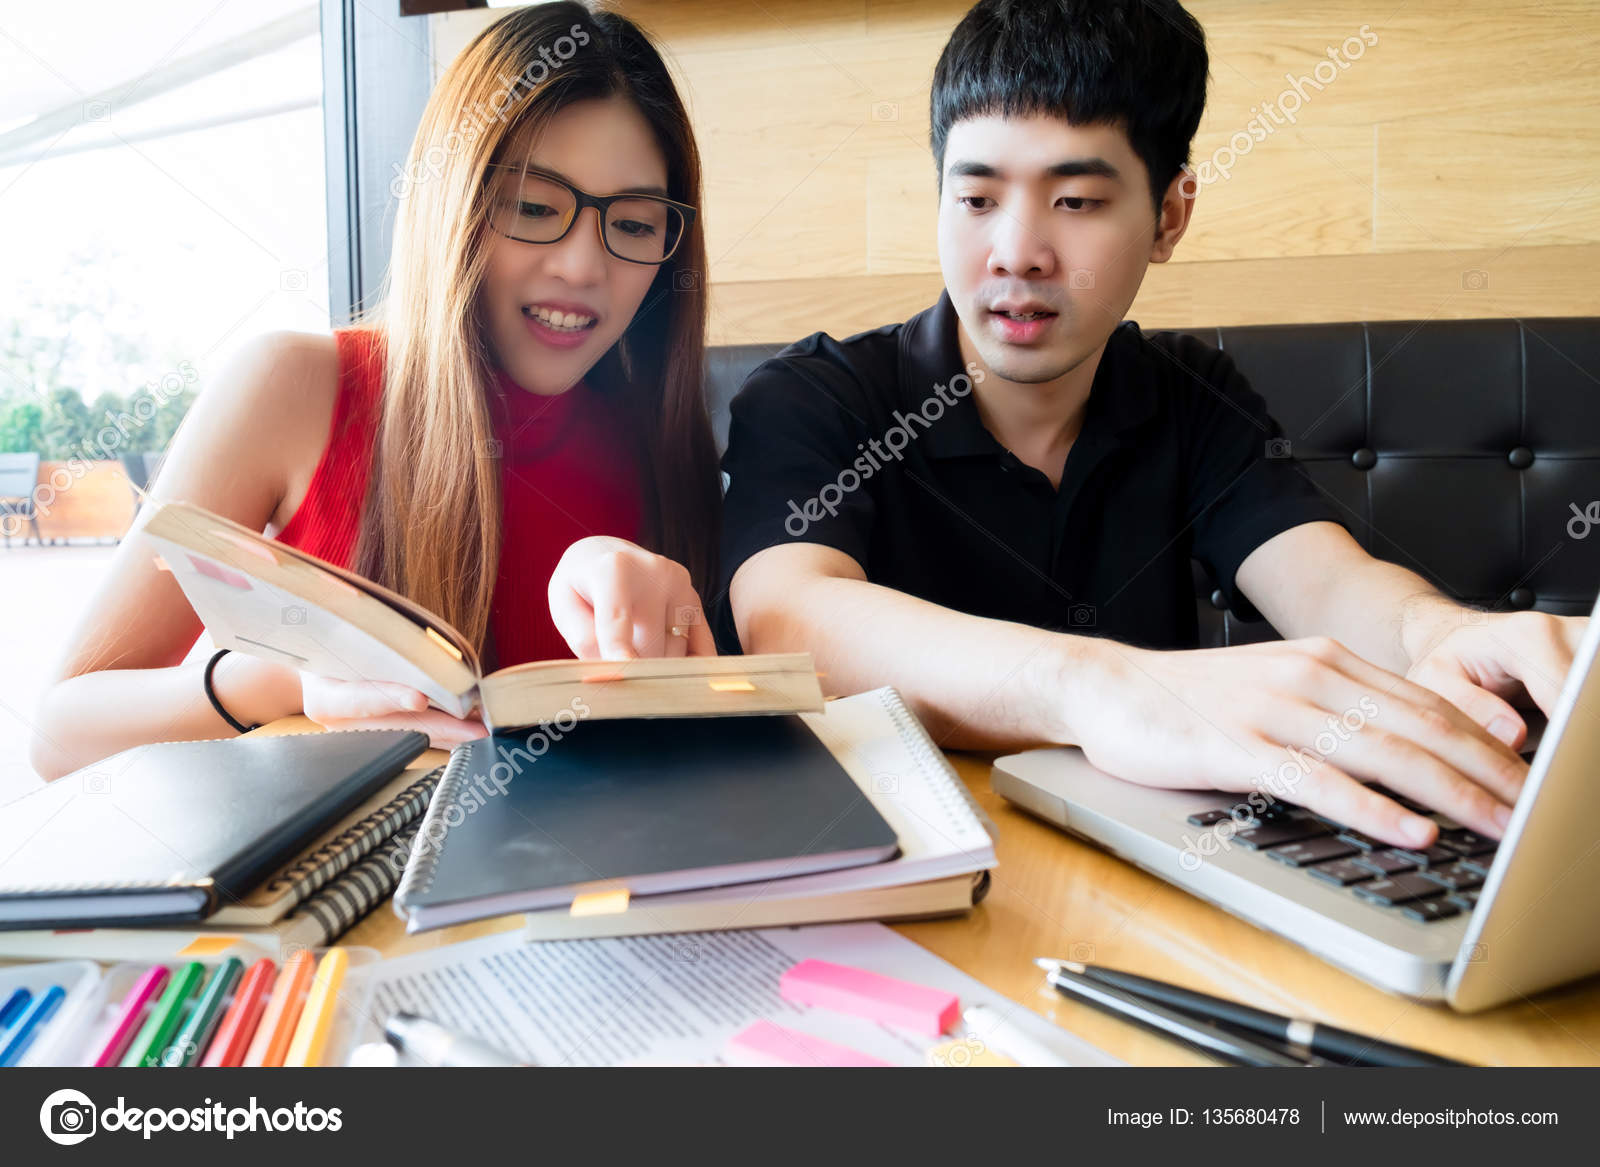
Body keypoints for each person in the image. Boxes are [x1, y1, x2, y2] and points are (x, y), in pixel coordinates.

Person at [718, 0, 1588, 849]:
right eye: (977, 198)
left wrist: (1449, 637)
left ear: (1168, 215)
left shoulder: (1188, 394)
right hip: (891, 870)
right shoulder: (820, 394)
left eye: (1077, 201)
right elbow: (789, 619)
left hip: (1150, 869)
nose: (1017, 251)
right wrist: (1101, 684)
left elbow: (1328, 583)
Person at [31, 2, 720, 780]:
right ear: (451, 204)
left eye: (632, 225)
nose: (583, 267)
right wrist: (290, 678)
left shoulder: (658, 438)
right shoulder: (294, 387)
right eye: (533, 206)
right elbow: (61, 733)